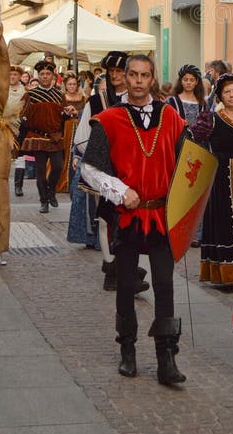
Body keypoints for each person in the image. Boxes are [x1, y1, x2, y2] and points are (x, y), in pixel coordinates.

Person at [81, 54, 190, 385]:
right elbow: (89, 168)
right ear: (124, 78)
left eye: (145, 75)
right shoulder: (109, 118)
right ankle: (127, 349)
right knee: (126, 284)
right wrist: (119, 190)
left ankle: (166, 358)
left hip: (161, 214)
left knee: (165, 285)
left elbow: (188, 165)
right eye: (133, 75)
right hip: (127, 216)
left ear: (153, 78)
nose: (139, 80)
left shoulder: (171, 117)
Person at [68, 52, 148, 294]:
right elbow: (82, 139)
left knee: (130, 218)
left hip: (132, 169)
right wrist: (103, 154)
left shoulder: (137, 100)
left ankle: (125, 268)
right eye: (110, 71)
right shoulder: (95, 101)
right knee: (105, 218)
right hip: (105, 168)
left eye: (119, 71)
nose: (115, 75)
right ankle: (112, 270)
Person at [192, 73, 233, 289]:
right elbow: (194, 141)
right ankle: (228, 273)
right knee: (225, 223)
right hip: (222, 179)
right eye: (227, 92)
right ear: (220, 95)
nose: (231, 95)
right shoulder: (212, 119)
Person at [19, 59, 64, 213]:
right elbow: (22, 115)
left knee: (58, 166)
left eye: (48, 74)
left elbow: (63, 115)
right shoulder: (30, 94)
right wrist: (24, 119)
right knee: (40, 173)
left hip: (55, 137)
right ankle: (43, 200)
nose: (45, 76)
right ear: (38, 76)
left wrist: (68, 114)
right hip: (37, 137)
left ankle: (51, 192)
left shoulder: (59, 95)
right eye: (42, 74)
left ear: (53, 75)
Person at [58, 72, 86, 194]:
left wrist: (77, 112)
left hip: (80, 127)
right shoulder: (61, 98)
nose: (72, 86)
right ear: (65, 85)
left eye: (74, 84)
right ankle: (64, 181)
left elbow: (86, 113)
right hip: (66, 128)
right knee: (66, 154)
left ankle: (76, 183)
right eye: (69, 84)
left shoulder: (84, 98)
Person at [6, 65, 26, 196]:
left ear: (19, 76)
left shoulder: (25, 91)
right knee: (3, 156)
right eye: (10, 74)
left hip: (20, 127)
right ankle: (1, 184)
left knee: (21, 157)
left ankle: (18, 186)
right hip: (4, 126)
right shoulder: (2, 90)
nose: (12, 77)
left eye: (15, 74)